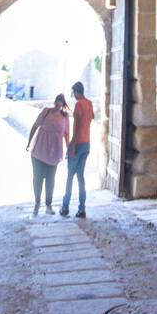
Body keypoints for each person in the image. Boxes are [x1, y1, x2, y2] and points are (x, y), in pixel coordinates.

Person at [26, 95, 70, 215]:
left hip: (54, 153)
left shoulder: (65, 117)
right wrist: (29, 142)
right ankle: (37, 203)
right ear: (55, 101)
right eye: (57, 102)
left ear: (63, 104)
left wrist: (69, 150)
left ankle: (48, 206)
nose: (58, 105)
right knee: (37, 178)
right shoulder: (46, 112)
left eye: (60, 103)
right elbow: (35, 126)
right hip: (39, 150)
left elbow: (66, 135)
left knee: (50, 180)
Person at [60, 81, 94, 219]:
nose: (73, 95)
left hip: (78, 144)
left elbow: (76, 127)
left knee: (70, 177)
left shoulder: (79, 105)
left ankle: (65, 207)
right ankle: (82, 209)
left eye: (74, 92)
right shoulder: (89, 103)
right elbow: (90, 119)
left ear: (77, 92)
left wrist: (72, 146)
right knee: (81, 177)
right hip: (87, 144)